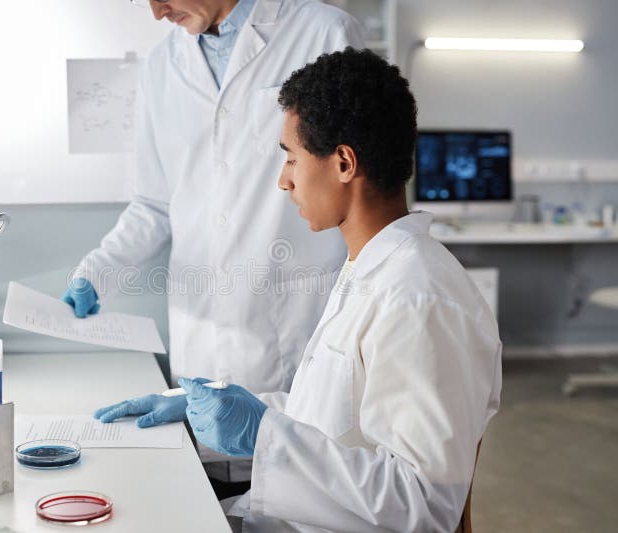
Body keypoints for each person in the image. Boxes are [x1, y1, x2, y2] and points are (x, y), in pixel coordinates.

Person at [175, 47, 503, 532]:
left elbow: (425, 507)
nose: (284, 181)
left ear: (344, 162)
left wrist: (263, 433)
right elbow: (333, 421)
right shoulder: (370, 268)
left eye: (291, 157)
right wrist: (202, 414)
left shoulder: (419, 297)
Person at [64, 0, 365, 487]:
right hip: (199, 335)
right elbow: (154, 202)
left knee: (297, 486)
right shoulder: (162, 66)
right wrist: (98, 271)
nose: (157, 12)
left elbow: (362, 186)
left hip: (293, 325)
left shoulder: (322, 32)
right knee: (210, 497)